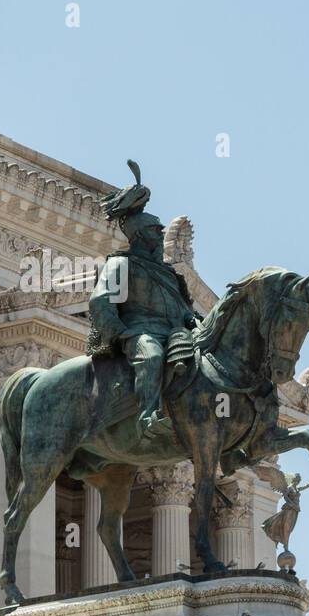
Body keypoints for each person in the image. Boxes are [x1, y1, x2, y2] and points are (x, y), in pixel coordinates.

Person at [87, 161, 200, 441]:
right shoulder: (121, 266)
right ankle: (148, 416)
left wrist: (194, 322)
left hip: (174, 332)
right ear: (139, 236)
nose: (160, 237)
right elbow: (101, 302)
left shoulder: (170, 275)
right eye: (154, 232)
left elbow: (185, 310)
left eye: (161, 232)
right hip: (140, 331)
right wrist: (120, 332)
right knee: (151, 355)